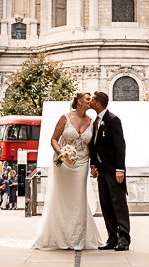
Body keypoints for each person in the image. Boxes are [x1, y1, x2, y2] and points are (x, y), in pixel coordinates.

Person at [34, 92, 103, 250]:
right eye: (87, 99)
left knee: (79, 197)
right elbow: (53, 139)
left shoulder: (92, 122)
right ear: (79, 101)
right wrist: (61, 153)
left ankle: (77, 238)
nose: (90, 101)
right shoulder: (65, 117)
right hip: (63, 163)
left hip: (82, 162)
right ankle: (60, 236)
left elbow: (92, 146)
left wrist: (94, 164)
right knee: (62, 198)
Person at [88, 91, 130, 251]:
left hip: (114, 170)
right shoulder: (95, 122)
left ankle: (124, 239)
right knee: (106, 204)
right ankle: (112, 238)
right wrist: (93, 164)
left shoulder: (112, 120)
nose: (90, 102)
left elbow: (120, 145)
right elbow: (94, 145)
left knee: (118, 204)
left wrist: (120, 169)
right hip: (101, 170)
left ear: (98, 103)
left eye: (92, 100)